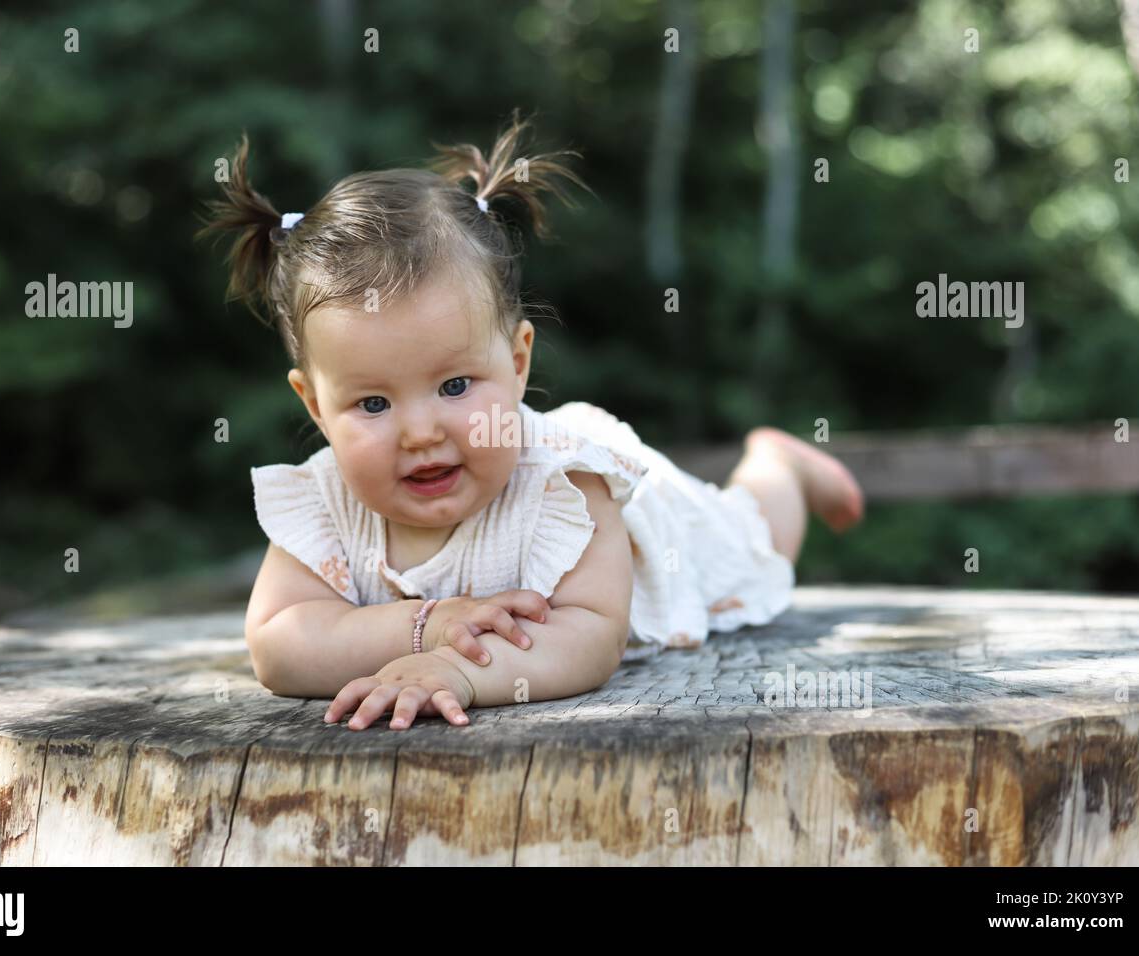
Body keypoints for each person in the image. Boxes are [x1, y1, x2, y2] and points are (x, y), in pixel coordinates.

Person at [197, 109, 864, 731]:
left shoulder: (566, 484)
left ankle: (779, 464)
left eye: (456, 385)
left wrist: (456, 668)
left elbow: (589, 637)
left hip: (674, 535)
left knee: (752, 535)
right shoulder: (325, 501)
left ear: (518, 363)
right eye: (372, 404)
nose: (421, 432)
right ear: (314, 404)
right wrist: (424, 629)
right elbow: (280, 643)